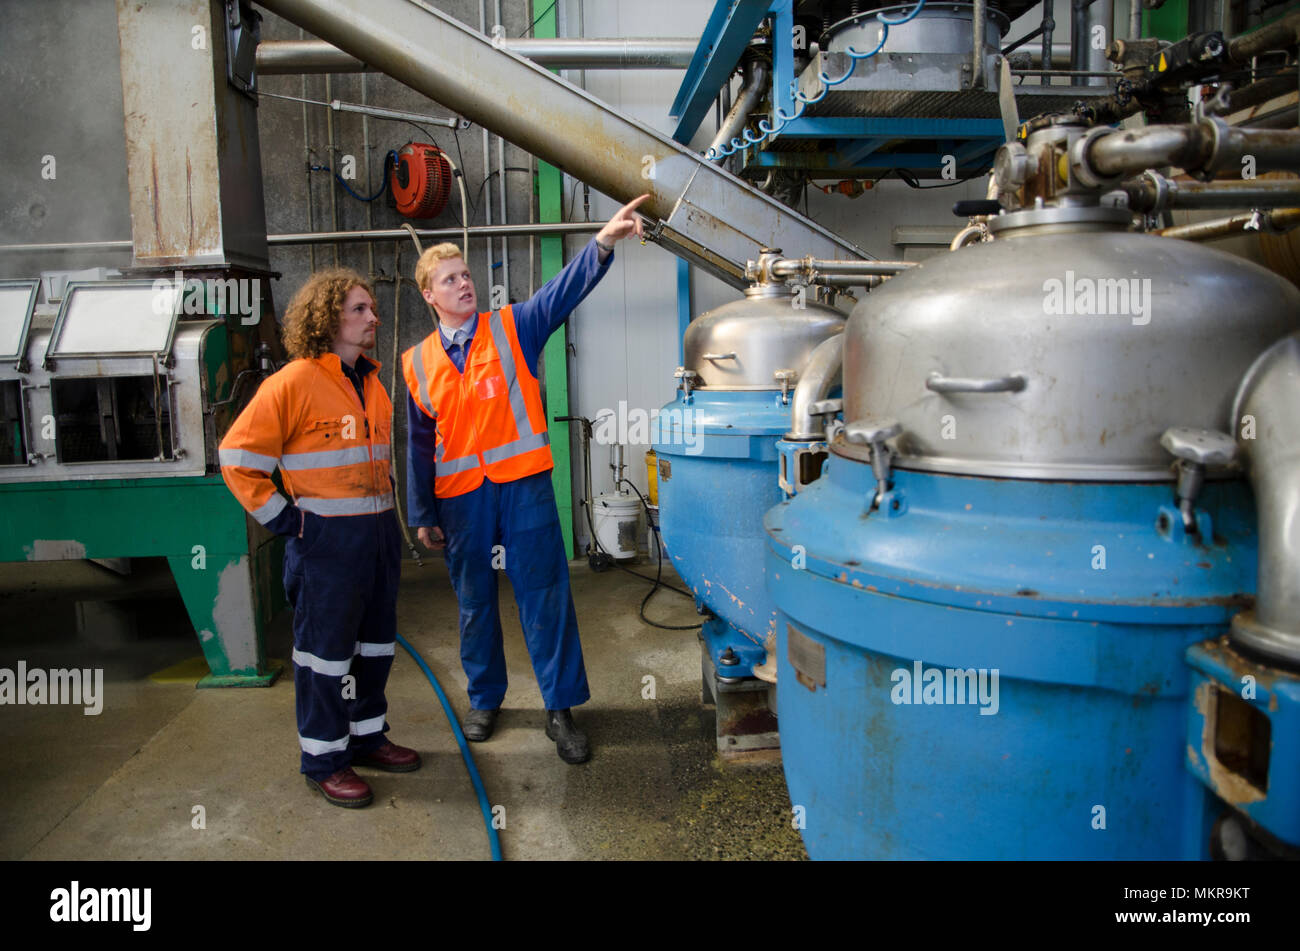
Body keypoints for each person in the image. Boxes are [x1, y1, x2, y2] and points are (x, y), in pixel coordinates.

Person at [403, 194, 649, 764]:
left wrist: (603, 243)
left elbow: (562, 292)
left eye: (466, 274)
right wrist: (423, 515)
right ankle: (485, 700)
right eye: (450, 279)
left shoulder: (515, 325)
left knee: (545, 594)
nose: (464, 284)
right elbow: (418, 445)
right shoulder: (416, 363)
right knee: (473, 601)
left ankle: (560, 711)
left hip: (524, 488)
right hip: (460, 500)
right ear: (428, 295)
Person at [219, 268, 418, 808]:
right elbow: (237, 459)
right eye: (359, 309)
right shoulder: (292, 382)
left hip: (377, 539)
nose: (373, 317)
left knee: (374, 649)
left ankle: (367, 736)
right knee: (325, 658)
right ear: (328, 318)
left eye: (372, 309)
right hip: (326, 547)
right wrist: (287, 519)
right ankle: (325, 760)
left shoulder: (371, 382)